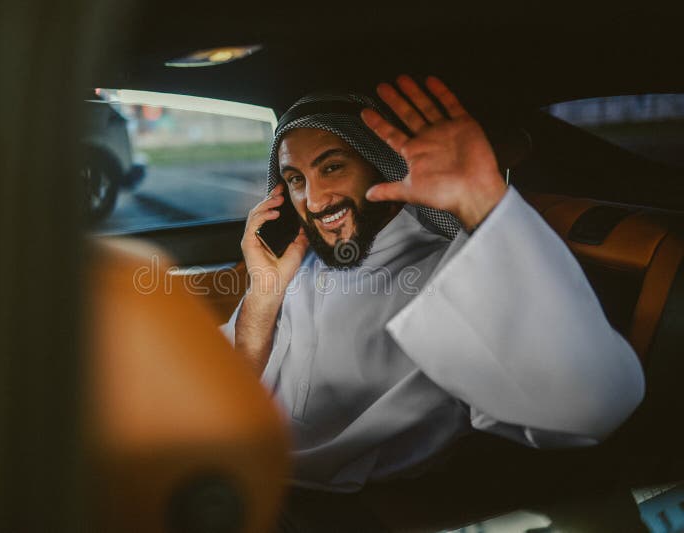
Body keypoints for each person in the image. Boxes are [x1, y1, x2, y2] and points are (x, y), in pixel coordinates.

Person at [220, 75, 645, 493]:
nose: (313, 200)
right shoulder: (297, 267)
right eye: (296, 179)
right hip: (242, 480)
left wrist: (481, 202)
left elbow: (589, 408)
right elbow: (222, 404)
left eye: (332, 167)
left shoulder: (456, 269)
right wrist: (261, 300)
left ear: (378, 161)